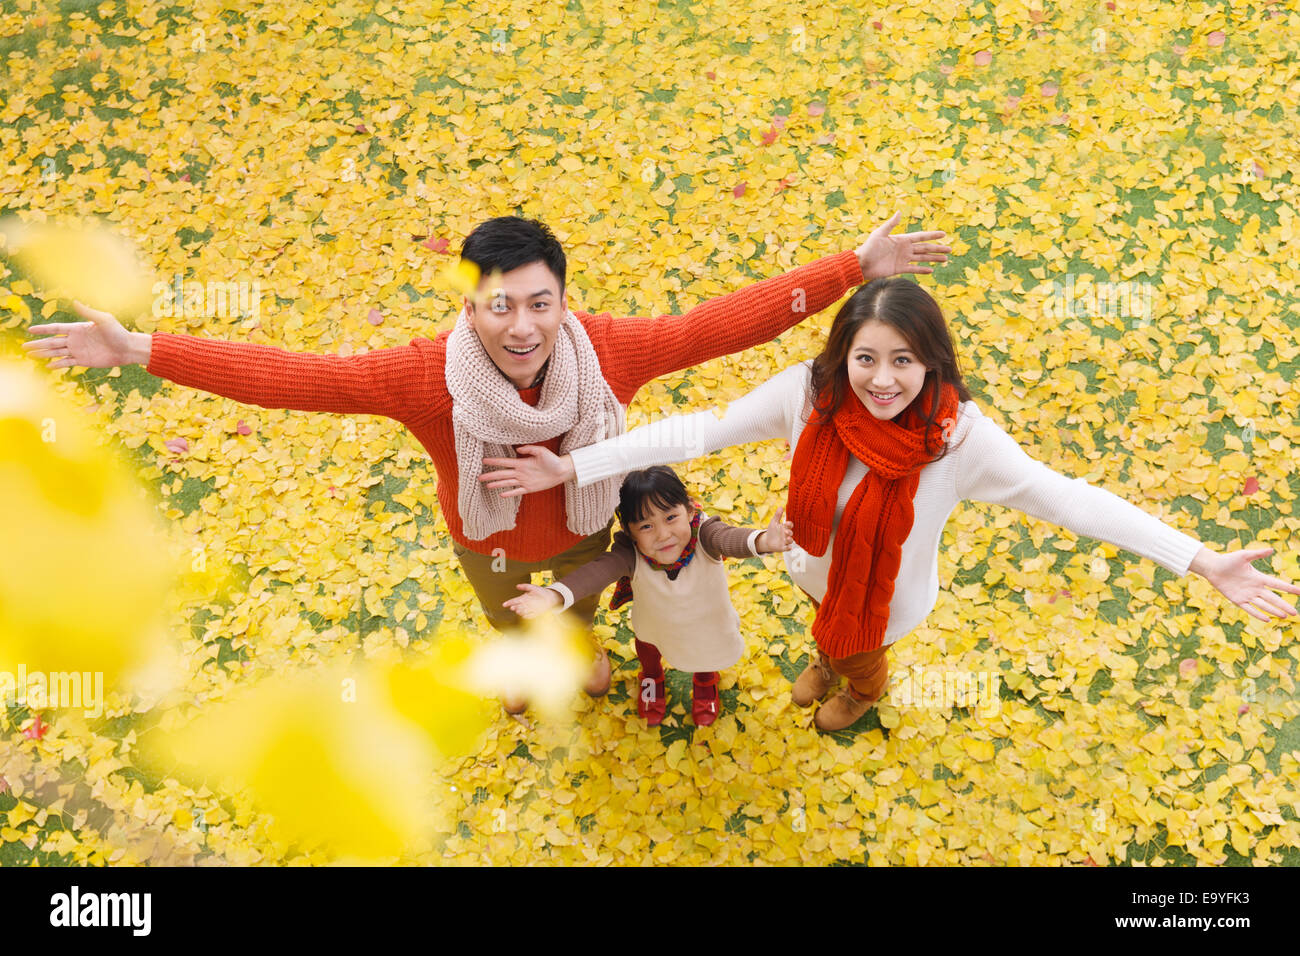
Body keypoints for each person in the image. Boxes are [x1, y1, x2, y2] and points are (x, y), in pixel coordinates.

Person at [23, 214, 951, 715]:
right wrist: (142, 350)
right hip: (493, 545)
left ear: (562, 304)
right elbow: (298, 379)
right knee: (520, 629)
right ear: (470, 309)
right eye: (500, 307)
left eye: (540, 305)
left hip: (589, 526)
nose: (522, 326)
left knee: (583, 610)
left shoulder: (609, 355)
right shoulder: (428, 379)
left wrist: (849, 269)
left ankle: (581, 654)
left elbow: (711, 327)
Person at [477, 277, 1300, 730]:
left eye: (903, 362)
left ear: (931, 364)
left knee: (860, 658)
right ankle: (825, 657)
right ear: (843, 355)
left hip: (888, 604)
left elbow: (1072, 502)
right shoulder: (808, 395)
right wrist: (574, 466)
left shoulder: (959, 440)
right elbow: (702, 430)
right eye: (867, 357)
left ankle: (854, 688)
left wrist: (1199, 560)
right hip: (808, 569)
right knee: (821, 622)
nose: (882, 380)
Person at [504, 466, 795, 726]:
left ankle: (705, 681)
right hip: (654, 625)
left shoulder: (705, 534)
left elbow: (729, 539)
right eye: (646, 526)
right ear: (629, 533)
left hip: (706, 623)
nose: (663, 534)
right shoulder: (631, 554)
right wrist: (554, 595)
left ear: (690, 511)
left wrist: (762, 541)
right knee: (649, 651)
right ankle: (652, 679)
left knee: (707, 652)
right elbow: (599, 571)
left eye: (671, 517)